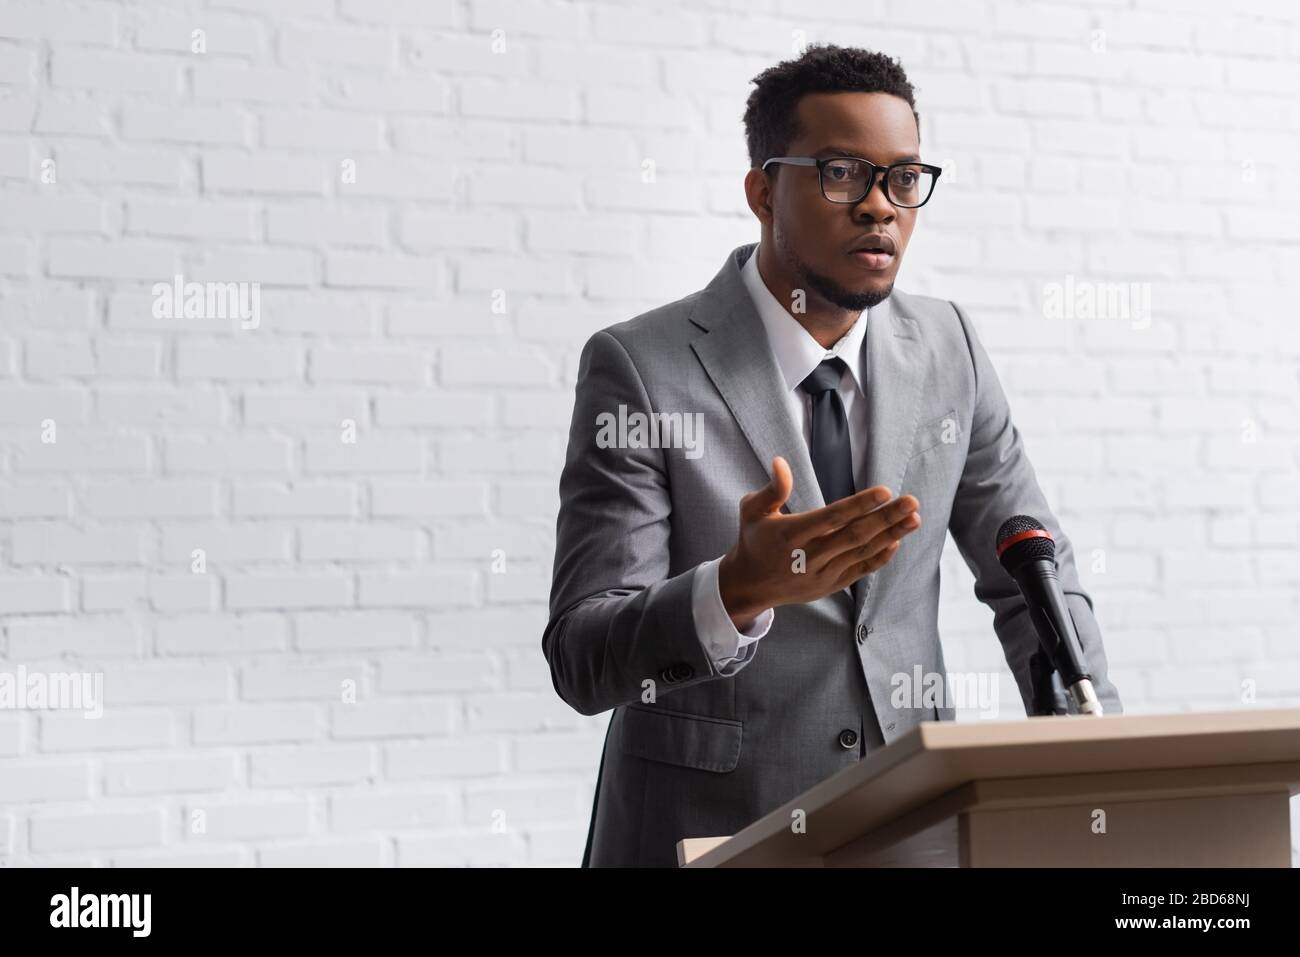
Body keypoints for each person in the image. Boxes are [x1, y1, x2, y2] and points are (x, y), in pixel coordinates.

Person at [543, 43, 1122, 868]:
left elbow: (1033, 572)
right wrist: (732, 590)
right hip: (708, 833)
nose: (880, 207)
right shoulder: (642, 367)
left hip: (912, 828)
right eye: (843, 173)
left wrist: (1097, 760)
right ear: (762, 190)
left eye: (904, 179)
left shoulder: (949, 347)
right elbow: (581, 652)